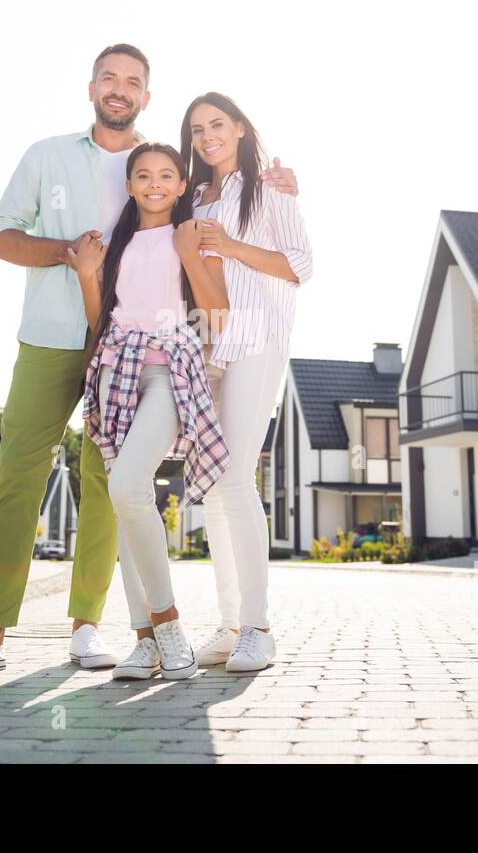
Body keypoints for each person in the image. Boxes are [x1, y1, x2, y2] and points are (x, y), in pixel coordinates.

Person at [0, 47, 297, 676]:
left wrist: (281, 185)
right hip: (62, 339)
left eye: (133, 82)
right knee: (21, 470)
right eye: (110, 79)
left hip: (156, 361)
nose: (120, 89)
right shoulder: (50, 156)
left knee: (116, 486)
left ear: (147, 97)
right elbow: (3, 239)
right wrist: (75, 257)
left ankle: (102, 629)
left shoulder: (179, 177)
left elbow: (232, 234)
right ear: (91, 86)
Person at [69, 143, 229, 681]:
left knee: (127, 486)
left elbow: (217, 316)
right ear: (130, 185)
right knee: (127, 502)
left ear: (182, 185)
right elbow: (101, 322)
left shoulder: (194, 234)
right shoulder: (116, 242)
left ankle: (167, 622)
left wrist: (187, 253)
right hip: (116, 371)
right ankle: (145, 641)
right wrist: (88, 275)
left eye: (166, 175)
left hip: (167, 371)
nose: (155, 183)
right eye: (143, 175)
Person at [180, 92, 314, 672]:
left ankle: (259, 626)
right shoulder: (193, 194)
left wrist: (230, 246)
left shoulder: (270, 186)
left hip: (256, 338)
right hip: (200, 340)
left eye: (217, 124)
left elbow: (300, 265)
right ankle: (231, 624)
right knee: (212, 484)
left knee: (235, 476)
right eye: (196, 129)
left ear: (239, 127)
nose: (207, 136)